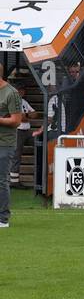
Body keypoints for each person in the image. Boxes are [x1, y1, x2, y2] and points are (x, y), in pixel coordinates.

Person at [0, 63, 23, 227]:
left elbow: (16, 121)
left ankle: (3, 218)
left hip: (4, 143)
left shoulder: (11, 93)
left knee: (1, 181)